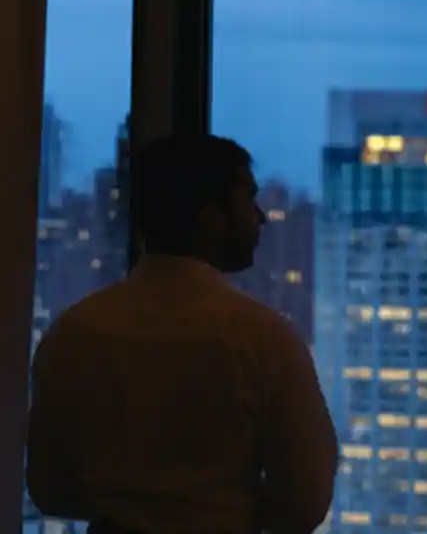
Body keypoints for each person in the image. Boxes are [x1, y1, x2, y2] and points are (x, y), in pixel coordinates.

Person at [26, 134, 338, 534]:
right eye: (248, 200)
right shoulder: (265, 340)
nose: (260, 218)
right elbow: (305, 500)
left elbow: (50, 489)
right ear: (211, 217)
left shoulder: (73, 333)